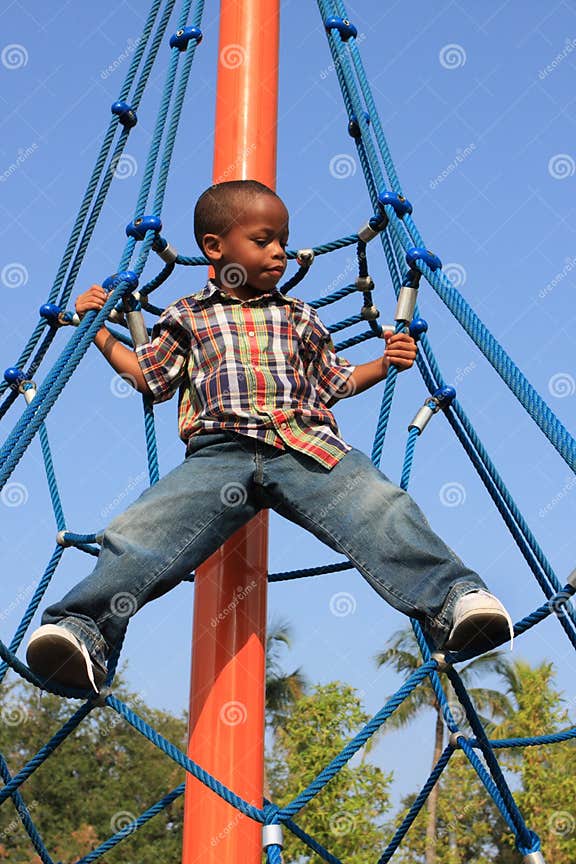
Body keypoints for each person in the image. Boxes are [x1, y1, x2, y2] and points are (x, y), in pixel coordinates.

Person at [26, 180, 512, 693]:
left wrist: (382, 362)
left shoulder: (299, 315)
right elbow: (150, 377)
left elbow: (335, 382)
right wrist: (97, 326)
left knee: (382, 507)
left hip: (306, 445)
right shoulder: (187, 315)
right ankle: (83, 629)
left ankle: (454, 599)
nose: (279, 252)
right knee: (140, 532)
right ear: (216, 248)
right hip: (219, 452)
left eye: (282, 240)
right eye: (263, 240)